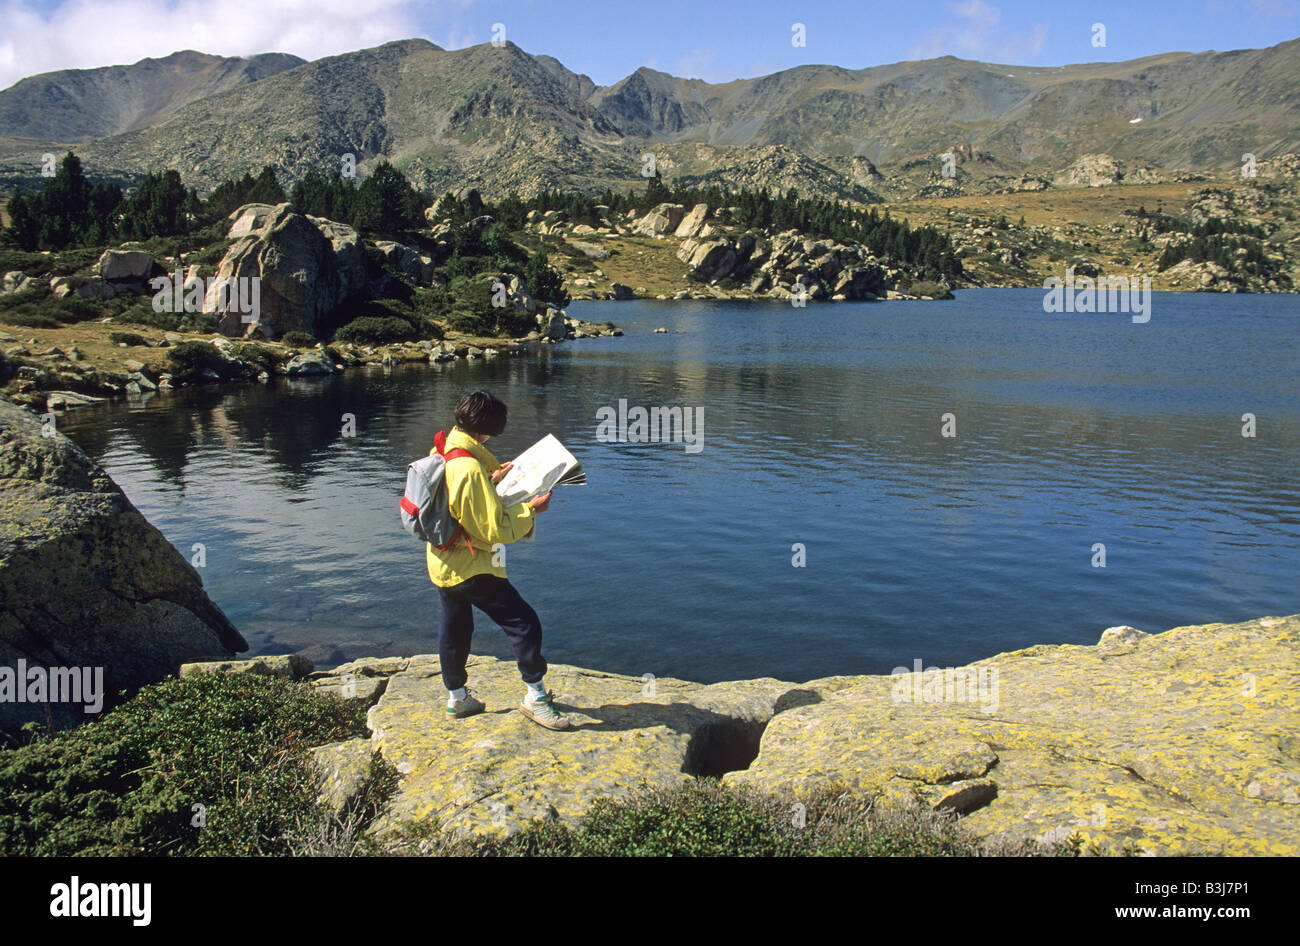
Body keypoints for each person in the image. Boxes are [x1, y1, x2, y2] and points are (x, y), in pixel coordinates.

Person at [427, 390, 571, 731]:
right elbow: (494, 530)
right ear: (487, 430)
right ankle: (535, 698)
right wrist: (530, 510)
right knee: (524, 623)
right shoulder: (469, 469)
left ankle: (458, 698)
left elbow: (456, 504)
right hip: (472, 565)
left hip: (442, 561)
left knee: (455, 628)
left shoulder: (444, 449)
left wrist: (492, 480)